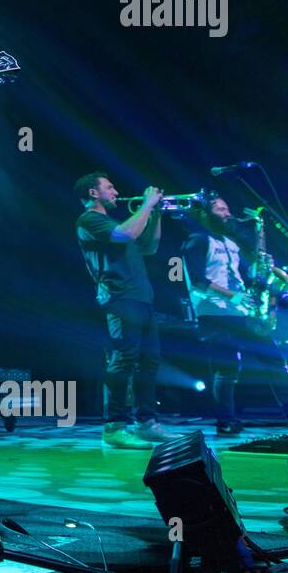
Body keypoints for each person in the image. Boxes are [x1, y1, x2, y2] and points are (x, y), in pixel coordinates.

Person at [181, 195, 288, 433]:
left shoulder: (230, 242)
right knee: (227, 370)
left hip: (241, 312)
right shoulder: (197, 240)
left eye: (228, 208)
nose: (227, 213)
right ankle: (226, 421)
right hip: (214, 313)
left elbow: (253, 269)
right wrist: (233, 296)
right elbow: (198, 281)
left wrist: (260, 232)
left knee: (274, 360)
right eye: (221, 209)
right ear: (206, 214)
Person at [74, 173, 180, 448]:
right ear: (93, 193)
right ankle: (114, 426)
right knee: (124, 359)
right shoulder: (89, 219)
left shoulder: (115, 221)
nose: (116, 191)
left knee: (149, 361)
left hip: (142, 298)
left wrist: (155, 214)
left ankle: (146, 423)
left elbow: (149, 246)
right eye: (110, 187)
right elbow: (127, 233)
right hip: (120, 297)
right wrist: (146, 204)